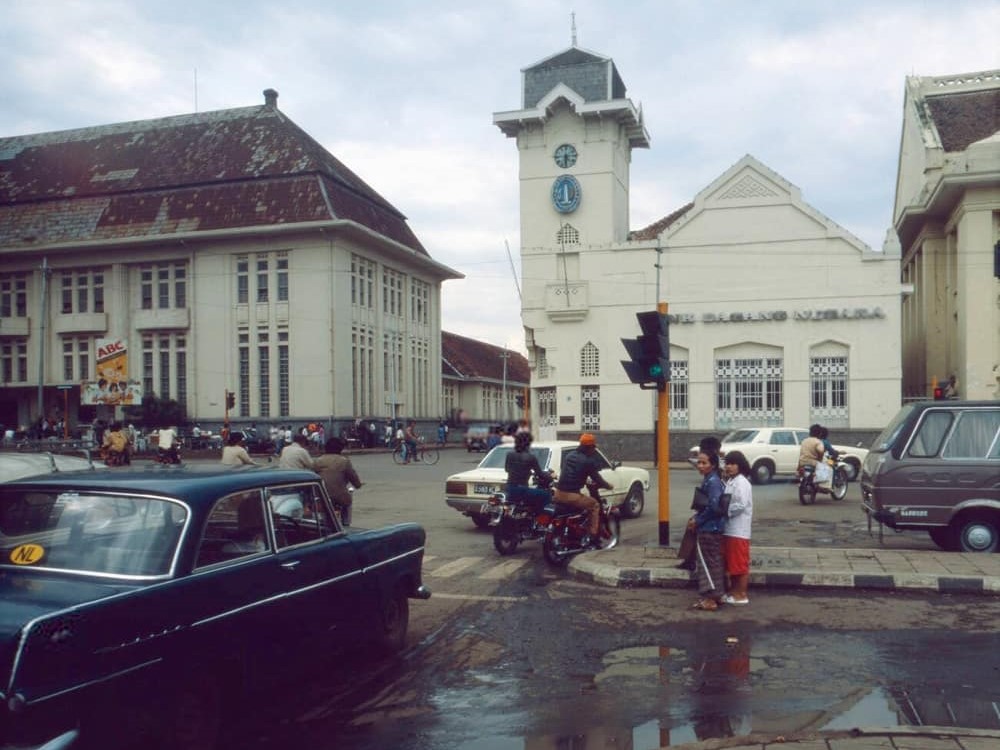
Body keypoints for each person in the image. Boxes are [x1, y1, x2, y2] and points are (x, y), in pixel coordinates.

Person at [553, 433, 613, 547]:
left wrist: (583, 480)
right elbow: (598, 479)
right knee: (594, 505)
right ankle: (593, 537)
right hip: (572, 496)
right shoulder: (588, 461)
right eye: (593, 447)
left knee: (580, 505)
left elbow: (573, 473)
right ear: (589, 447)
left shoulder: (569, 456)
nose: (594, 449)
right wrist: (609, 486)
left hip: (558, 494)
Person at [690, 450, 727, 611]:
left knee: (706, 564)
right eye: (699, 462)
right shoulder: (712, 480)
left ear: (712, 464)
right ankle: (717, 596)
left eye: (704, 463)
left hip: (709, 528)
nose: (700, 465)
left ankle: (710, 600)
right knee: (714, 562)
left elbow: (713, 506)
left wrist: (697, 520)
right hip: (713, 527)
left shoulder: (713, 482)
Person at [721, 450, 753, 606]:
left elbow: (741, 504)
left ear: (740, 466)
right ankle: (733, 593)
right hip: (730, 529)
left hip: (738, 530)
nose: (729, 467)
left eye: (733, 464)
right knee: (732, 564)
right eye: (727, 463)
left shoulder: (742, 482)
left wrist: (724, 511)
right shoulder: (731, 481)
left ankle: (741, 595)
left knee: (739, 565)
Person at [314, 437, 363, 526]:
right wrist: (358, 485)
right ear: (340, 448)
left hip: (322, 495)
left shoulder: (318, 461)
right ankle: (346, 523)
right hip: (339, 496)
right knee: (347, 504)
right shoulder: (344, 461)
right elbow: (353, 477)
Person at [504, 431, 551, 511]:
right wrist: (550, 475)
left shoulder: (509, 454)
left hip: (510, 488)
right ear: (528, 444)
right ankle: (538, 519)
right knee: (546, 495)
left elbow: (507, 469)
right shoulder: (531, 457)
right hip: (522, 490)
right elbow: (540, 474)